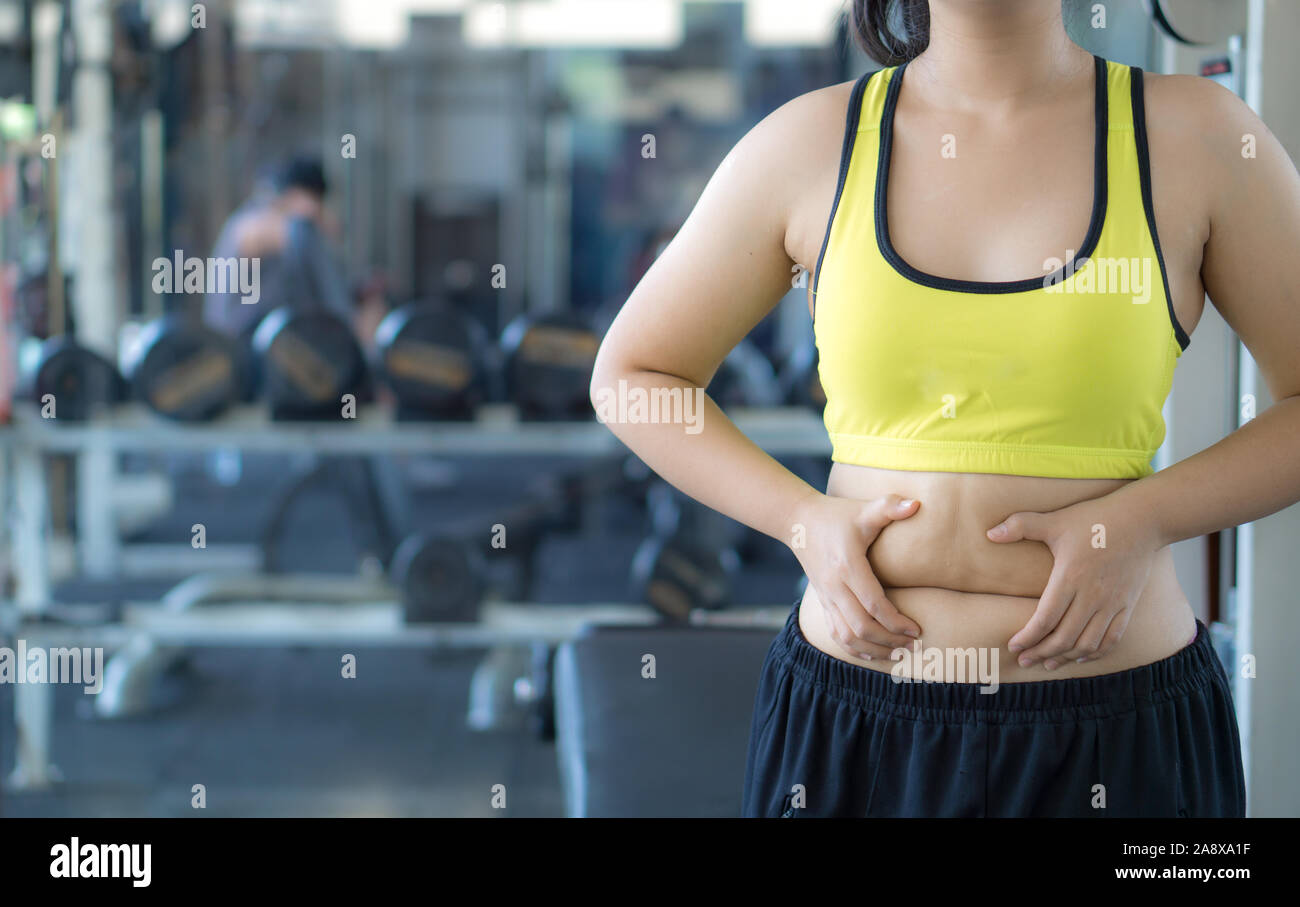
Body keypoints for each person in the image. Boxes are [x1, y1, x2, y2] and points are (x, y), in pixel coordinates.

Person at [591, 0, 1300, 817]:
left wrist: (1142, 519)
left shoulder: (1198, 136)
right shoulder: (809, 143)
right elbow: (635, 374)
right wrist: (801, 520)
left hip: (1118, 733)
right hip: (853, 729)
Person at [202, 155, 352, 344]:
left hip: (252, 340)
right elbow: (265, 235)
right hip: (238, 344)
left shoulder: (279, 223)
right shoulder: (259, 223)